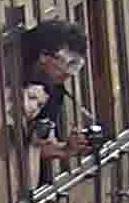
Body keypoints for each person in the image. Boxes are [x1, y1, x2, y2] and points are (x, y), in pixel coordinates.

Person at [13, 20, 88, 164]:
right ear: (44, 56)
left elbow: (42, 144)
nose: (70, 73)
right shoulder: (11, 72)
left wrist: (66, 149)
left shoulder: (54, 88)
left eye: (77, 65)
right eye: (69, 63)